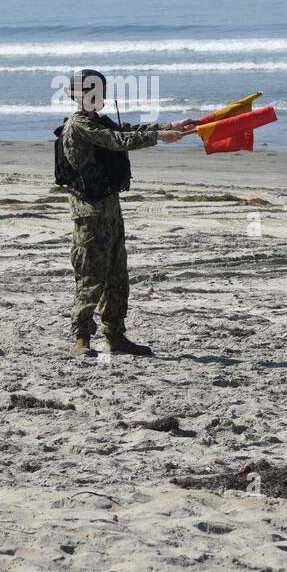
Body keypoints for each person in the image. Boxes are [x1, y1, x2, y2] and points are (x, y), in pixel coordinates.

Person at [55, 69, 196, 358]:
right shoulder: (79, 125)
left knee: (117, 275)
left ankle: (115, 336)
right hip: (89, 212)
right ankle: (81, 339)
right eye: (93, 93)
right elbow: (115, 141)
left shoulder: (97, 121)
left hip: (110, 208)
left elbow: (127, 130)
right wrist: (159, 137)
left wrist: (172, 125)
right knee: (91, 275)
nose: (99, 98)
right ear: (81, 97)